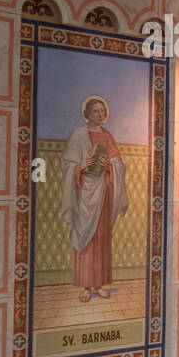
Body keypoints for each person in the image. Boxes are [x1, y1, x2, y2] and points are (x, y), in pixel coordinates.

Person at [62, 96, 129, 303]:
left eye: (102, 111)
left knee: (101, 238)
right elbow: (68, 163)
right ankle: (85, 286)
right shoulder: (78, 134)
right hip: (84, 194)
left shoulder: (107, 136)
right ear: (87, 113)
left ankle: (99, 284)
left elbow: (118, 163)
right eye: (95, 111)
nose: (99, 115)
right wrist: (81, 165)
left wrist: (110, 166)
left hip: (103, 195)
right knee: (86, 237)